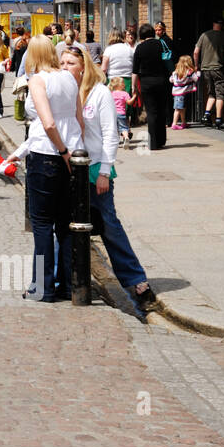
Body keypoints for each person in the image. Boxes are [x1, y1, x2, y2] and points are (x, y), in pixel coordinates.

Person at [59, 44, 156, 311]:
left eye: (70, 63)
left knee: (109, 226)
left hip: (94, 168)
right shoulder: (63, 91)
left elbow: (110, 134)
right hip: (68, 169)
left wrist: (104, 172)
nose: (65, 67)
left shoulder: (100, 93)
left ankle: (136, 280)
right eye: (62, 63)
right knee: (65, 227)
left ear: (83, 66)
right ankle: (66, 280)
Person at [2, 35, 81, 302]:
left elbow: (47, 124)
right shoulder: (69, 78)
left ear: (33, 55)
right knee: (65, 225)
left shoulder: (38, 80)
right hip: (73, 154)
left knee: (42, 224)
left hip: (47, 155)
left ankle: (42, 287)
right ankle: (69, 286)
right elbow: (78, 118)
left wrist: (60, 149)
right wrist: (70, 150)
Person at [132, 23, 173, 150]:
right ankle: (161, 140)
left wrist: (134, 86)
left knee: (151, 112)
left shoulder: (139, 48)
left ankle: (153, 143)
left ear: (141, 34)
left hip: (146, 82)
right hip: (162, 81)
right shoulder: (161, 44)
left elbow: (135, 70)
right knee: (161, 110)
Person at [193, 19, 224, 129]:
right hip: (218, 68)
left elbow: (196, 52)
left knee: (211, 93)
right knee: (220, 94)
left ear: (213, 24)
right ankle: (219, 120)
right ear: (222, 25)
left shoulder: (204, 35)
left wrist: (196, 65)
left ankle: (206, 115)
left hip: (206, 69)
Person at [169, 56, 201, 130]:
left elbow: (170, 80)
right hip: (183, 93)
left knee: (181, 108)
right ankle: (174, 124)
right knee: (178, 109)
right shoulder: (190, 71)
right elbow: (196, 79)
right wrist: (198, 72)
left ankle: (183, 123)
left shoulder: (175, 72)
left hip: (177, 93)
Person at [109, 77, 132, 144]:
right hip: (121, 113)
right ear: (120, 85)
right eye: (123, 83)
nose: (124, 84)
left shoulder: (111, 93)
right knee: (124, 128)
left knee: (114, 128)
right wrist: (134, 96)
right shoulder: (125, 93)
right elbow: (129, 102)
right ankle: (126, 137)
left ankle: (116, 141)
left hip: (112, 114)